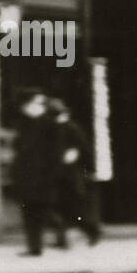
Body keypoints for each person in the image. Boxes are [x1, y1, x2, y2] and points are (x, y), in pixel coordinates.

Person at [48, 98, 101, 248]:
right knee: (66, 207)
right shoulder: (65, 127)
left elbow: (83, 150)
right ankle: (70, 237)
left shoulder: (69, 128)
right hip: (66, 174)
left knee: (73, 207)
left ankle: (88, 233)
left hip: (71, 174)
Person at [12, 88, 58, 256]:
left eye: (42, 103)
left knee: (41, 212)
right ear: (26, 105)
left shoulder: (49, 124)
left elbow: (55, 151)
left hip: (43, 177)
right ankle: (34, 246)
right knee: (29, 213)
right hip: (26, 176)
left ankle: (37, 246)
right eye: (37, 103)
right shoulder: (23, 124)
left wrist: (51, 174)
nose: (41, 106)